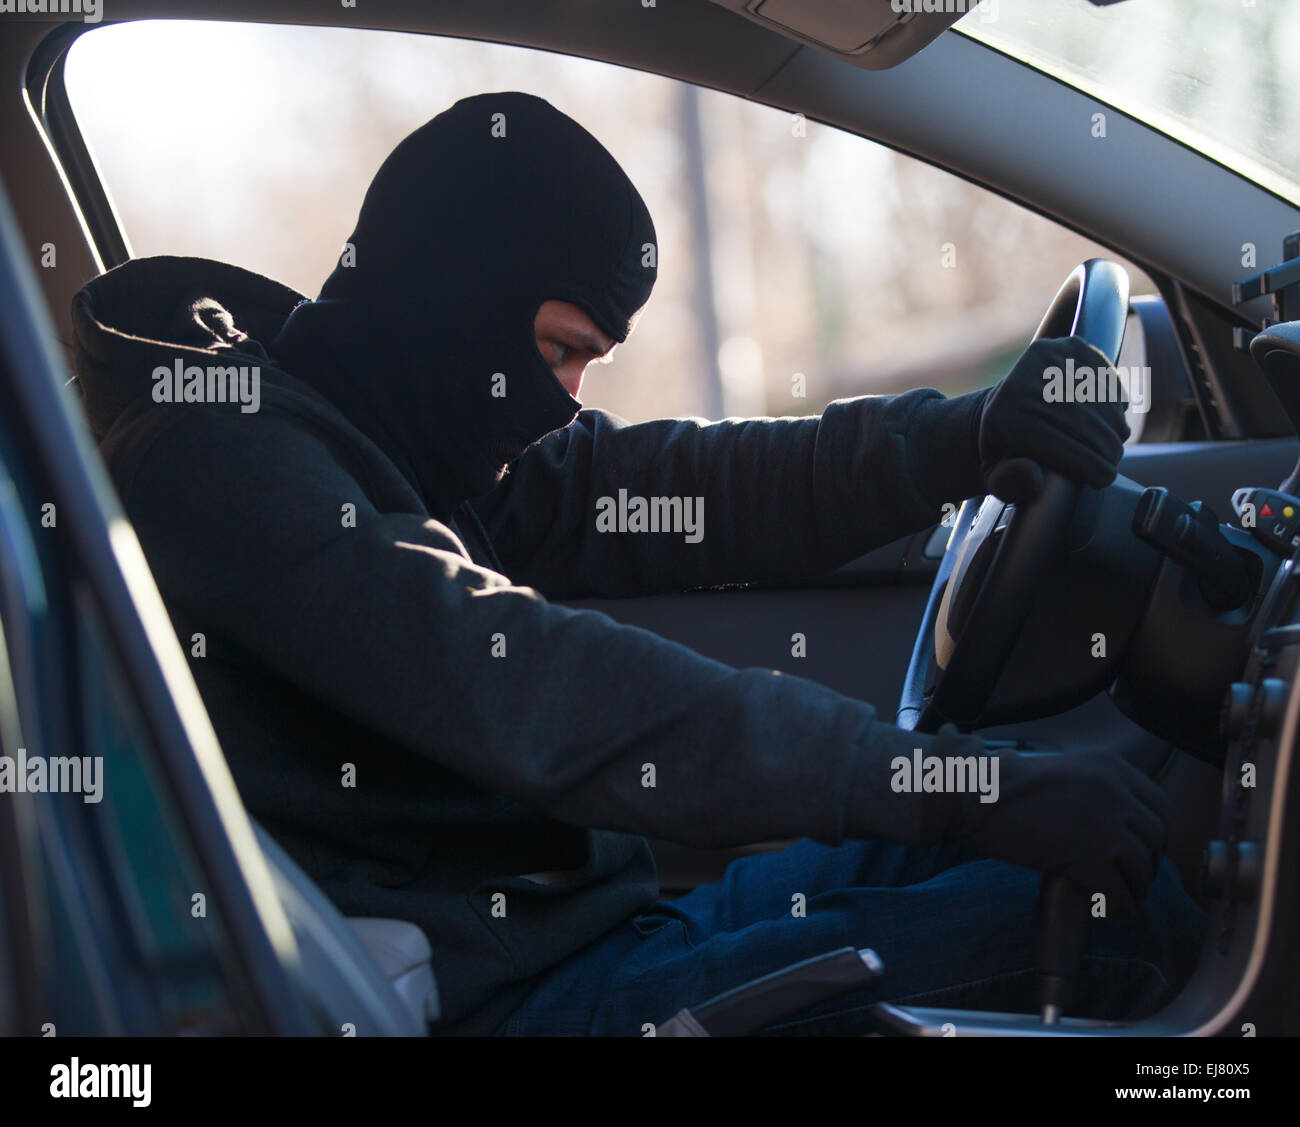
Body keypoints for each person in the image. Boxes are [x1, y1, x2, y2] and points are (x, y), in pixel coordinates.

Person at [70, 92, 1203, 1036]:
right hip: (509, 1000)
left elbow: (682, 488)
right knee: (1110, 916)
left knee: (1098, 856)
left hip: (582, 929)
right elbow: (529, 680)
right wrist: (953, 785)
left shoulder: (387, 416)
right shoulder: (224, 463)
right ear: (458, 297)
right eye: (560, 351)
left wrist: (954, 441)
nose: (564, 402)